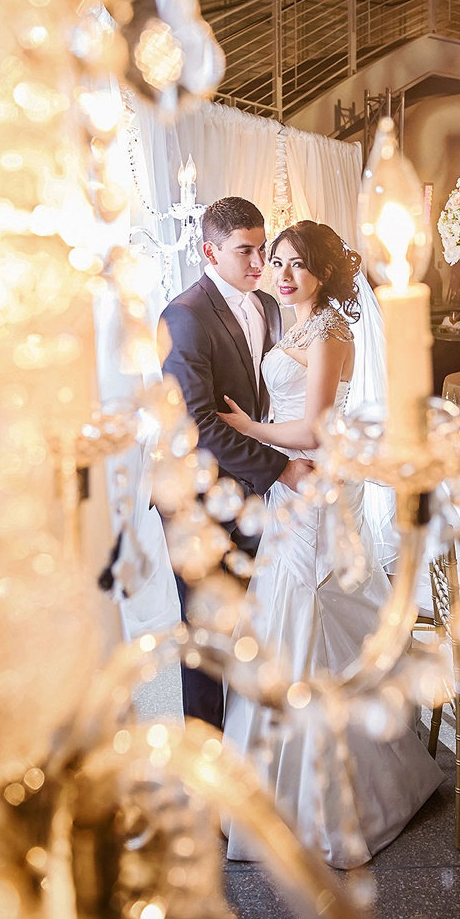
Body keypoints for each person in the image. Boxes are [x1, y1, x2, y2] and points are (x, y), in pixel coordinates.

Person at [207, 223, 439, 865]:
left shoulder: (331, 329)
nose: (282, 275)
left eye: (297, 265)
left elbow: (315, 426)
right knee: (284, 618)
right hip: (297, 488)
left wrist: (249, 428)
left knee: (304, 612)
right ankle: (275, 787)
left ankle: (335, 803)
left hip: (316, 488)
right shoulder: (295, 324)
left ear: (324, 273)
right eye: (276, 262)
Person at [156, 196, 315, 729]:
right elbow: (197, 422)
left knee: (251, 622)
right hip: (198, 497)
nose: (258, 262)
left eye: (261, 249)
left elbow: (262, 403)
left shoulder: (269, 307)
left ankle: (248, 746)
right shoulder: (184, 315)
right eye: (244, 251)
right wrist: (281, 468)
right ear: (210, 251)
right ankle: (203, 760)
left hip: (253, 488)